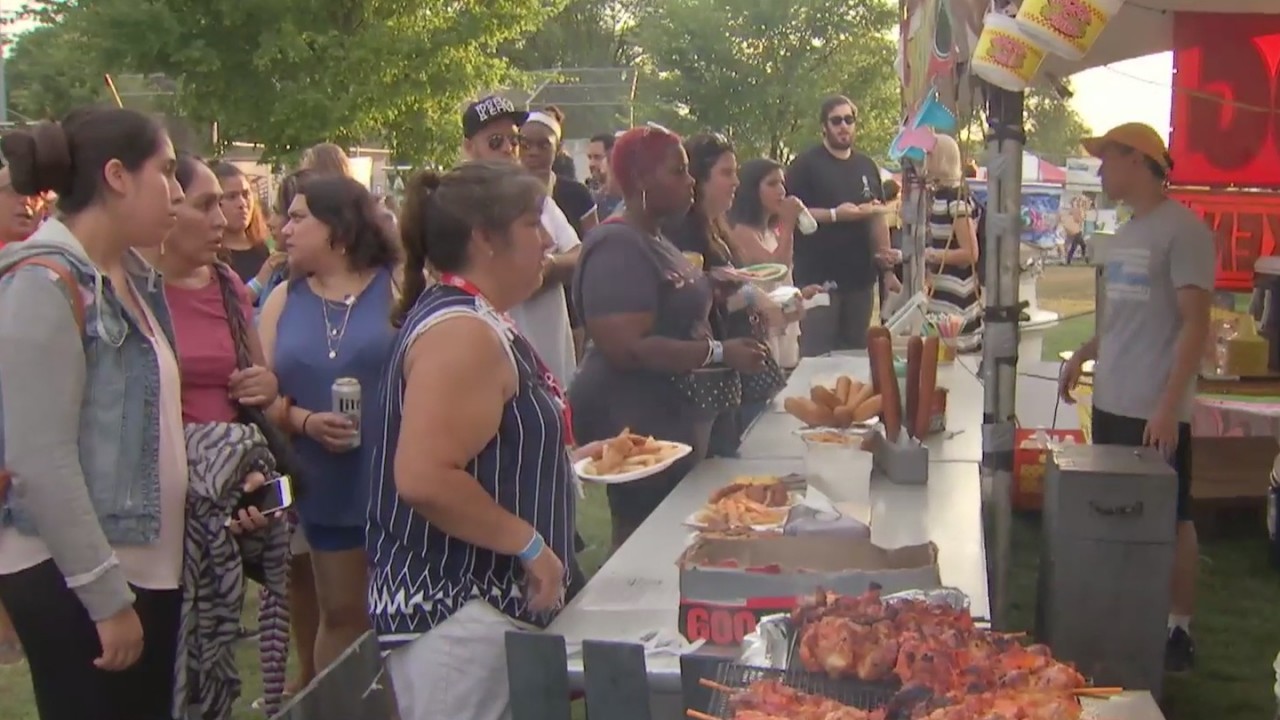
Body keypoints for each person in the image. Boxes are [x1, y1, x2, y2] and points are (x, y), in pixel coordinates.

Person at [0, 107, 257, 720]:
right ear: (117, 176)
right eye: (166, 173)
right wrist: (106, 598)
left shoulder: (130, 280)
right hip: (77, 580)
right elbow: (42, 458)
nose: (176, 192)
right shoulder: (46, 282)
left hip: (144, 570)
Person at [368, 162, 581, 720]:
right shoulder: (462, 331)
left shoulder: (477, 318)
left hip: (485, 616)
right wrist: (528, 544)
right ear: (485, 239)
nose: (548, 241)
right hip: (459, 619)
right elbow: (425, 476)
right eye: (534, 224)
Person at [1058, 122, 1213, 674]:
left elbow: (1195, 324)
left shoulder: (1183, 232)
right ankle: (1125, 615)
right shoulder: (1126, 234)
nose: (1100, 170)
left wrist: (1170, 407)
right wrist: (1082, 354)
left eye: (1107, 159)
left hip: (1155, 407)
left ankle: (1177, 628)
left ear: (1138, 160)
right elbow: (1121, 322)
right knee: (1118, 512)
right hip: (1112, 400)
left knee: (1172, 516)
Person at [570, 126, 768, 551]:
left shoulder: (654, 236)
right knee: (645, 533)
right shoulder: (616, 245)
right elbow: (627, 347)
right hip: (634, 417)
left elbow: (669, 302)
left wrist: (715, 288)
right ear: (642, 181)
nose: (690, 181)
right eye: (678, 172)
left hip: (672, 411)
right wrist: (719, 352)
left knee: (675, 530)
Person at [258, 174, 399, 676]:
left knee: (400, 616)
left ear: (337, 227)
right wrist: (303, 420)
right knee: (341, 616)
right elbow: (259, 398)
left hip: (398, 481)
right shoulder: (281, 301)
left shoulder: (398, 287)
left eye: (297, 218)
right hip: (325, 486)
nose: (282, 229)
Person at [667, 134, 787, 457]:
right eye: (726, 173)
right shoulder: (683, 231)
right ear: (699, 178)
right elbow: (697, 303)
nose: (736, 181)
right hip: (707, 376)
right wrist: (751, 298)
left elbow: (731, 288)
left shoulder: (716, 225)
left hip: (733, 370)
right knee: (713, 468)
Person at [462, 94, 580, 387]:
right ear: (468, 147)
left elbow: (580, 254)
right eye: (495, 142)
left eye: (514, 141)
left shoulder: (535, 197)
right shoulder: (457, 205)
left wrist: (548, 267)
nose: (507, 149)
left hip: (553, 372)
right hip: (495, 373)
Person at [785, 95, 899, 355]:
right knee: (818, 356)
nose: (843, 126)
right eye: (836, 120)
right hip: (817, 280)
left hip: (860, 281)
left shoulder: (866, 166)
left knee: (855, 356)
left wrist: (888, 269)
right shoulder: (806, 165)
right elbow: (792, 212)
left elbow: (876, 215)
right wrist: (836, 215)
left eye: (849, 119)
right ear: (824, 126)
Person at [726, 157, 820, 368]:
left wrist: (800, 294)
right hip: (762, 330)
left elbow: (779, 283)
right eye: (771, 183)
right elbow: (775, 269)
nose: (781, 190)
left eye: (782, 183)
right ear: (752, 189)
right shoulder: (741, 232)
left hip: (783, 323)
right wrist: (788, 225)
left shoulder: (769, 232)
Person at [521, 111, 598, 361]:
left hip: (569, 305)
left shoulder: (575, 194)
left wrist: (551, 265)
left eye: (543, 144)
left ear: (559, 147)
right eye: (525, 144)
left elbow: (589, 247)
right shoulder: (505, 191)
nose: (533, 152)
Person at [921, 134, 983, 351]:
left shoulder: (956, 199)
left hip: (957, 296)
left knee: (956, 359)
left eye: (929, 155)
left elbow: (970, 253)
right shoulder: (940, 195)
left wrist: (933, 255)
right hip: (940, 293)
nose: (925, 160)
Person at [213, 162, 276, 288]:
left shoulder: (261, 249)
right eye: (232, 197)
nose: (242, 203)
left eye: (246, 194)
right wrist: (260, 280)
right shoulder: (211, 256)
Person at [586, 133, 623, 218]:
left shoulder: (628, 202)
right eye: (589, 157)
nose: (591, 164)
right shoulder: (588, 198)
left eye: (597, 157)